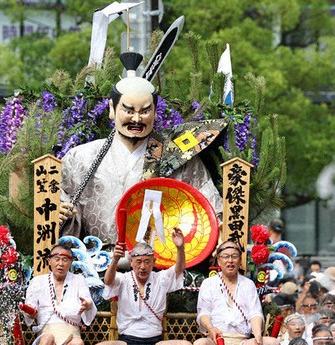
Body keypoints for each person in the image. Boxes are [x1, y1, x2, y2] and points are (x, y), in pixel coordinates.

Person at [58, 51, 220, 244]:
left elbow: (211, 210)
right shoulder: (80, 157)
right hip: (96, 263)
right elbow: (59, 202)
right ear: (112, 109)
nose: (136, 119)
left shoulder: (179, 156)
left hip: (159, 265)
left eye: (145, 111)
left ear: (155, 112)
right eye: (128, 110)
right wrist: (60, 214)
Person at [94, 233, 191, 345]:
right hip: (127, 343)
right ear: (131, 262)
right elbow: (109, 281)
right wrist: (115, 260)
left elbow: (179, 269)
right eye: (138, 262)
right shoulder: (124, 279)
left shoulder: (160, 278)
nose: (143, 266)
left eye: (147, 261)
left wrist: (180, 248)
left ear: (153, 262)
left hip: (154, 343)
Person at [193, 241, 280, 345]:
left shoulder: (248, 284)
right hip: (218, 342)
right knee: (200, 344)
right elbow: (203, 313)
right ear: (219, 260)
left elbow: (255, 313)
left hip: (242, 342)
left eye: (234, 256)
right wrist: (211, 329)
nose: (230, 260)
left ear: (240, 260)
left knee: (273, 344)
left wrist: (257, 334)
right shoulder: (209, 283)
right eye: (226, 256)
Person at [21, 244, 96, 345]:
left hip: (71, 334)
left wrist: (87, 305)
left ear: (71, 262)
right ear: (49, 261)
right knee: (47, 338)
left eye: (65, 260)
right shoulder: (38, 281)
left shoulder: (78, 280)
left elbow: (88, 301)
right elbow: (30, 309)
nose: (60, 263)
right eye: (57, 259)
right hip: (48, 336)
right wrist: (30, 312)